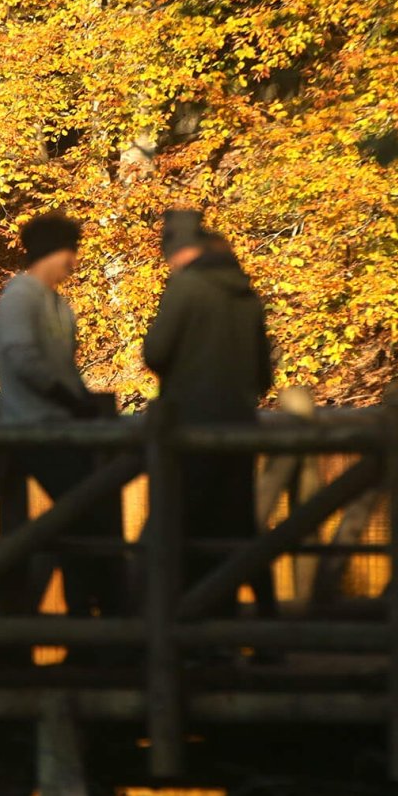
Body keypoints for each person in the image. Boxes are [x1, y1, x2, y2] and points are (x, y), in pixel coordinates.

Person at [143, 211, 277, 621]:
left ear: (177, 252)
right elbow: (264, 374)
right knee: (238, 525)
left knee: (182, 524)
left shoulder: (186, 288)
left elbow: (155, 352)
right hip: (240, 425)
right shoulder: (245, 292)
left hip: (191, 426)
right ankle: (263, 624)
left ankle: (176, 623)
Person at [0, 212, 124, 621]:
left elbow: (64, 366)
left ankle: (89, 610)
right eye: (71, 251)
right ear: (53, 251)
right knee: (82, 513)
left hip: (63, 427)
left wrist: (81, 400)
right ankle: (93, 609)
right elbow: (21, 356)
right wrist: (66, 398)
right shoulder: (19, 296)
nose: (75, 260)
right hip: (30, 426)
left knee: (88, 515)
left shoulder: (59, 304)